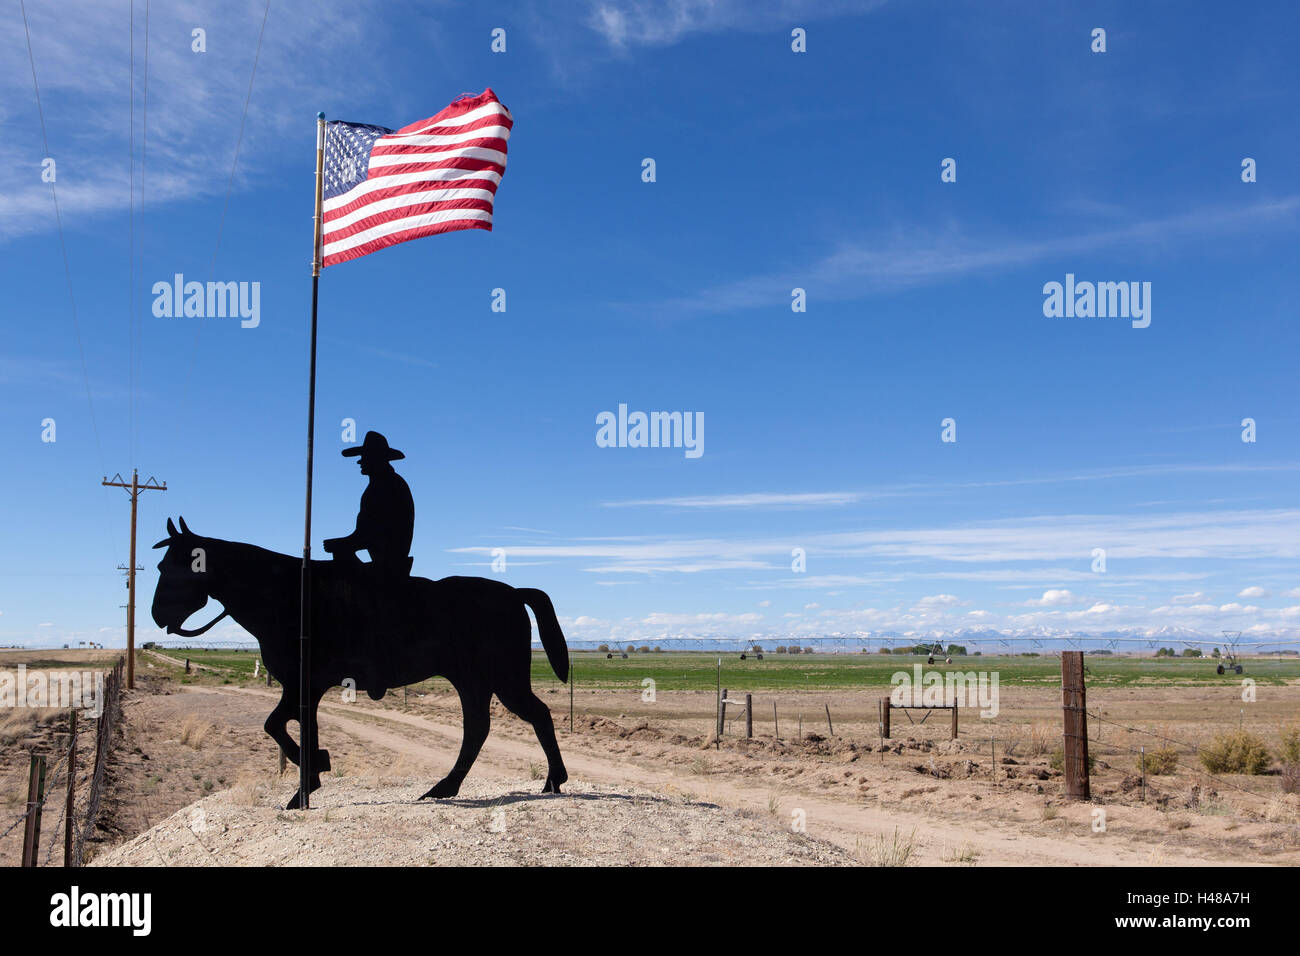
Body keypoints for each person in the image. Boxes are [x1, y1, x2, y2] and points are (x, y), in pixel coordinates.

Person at [323, 431, 414, 577]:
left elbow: (372, 533)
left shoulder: (387, 486)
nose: (360, 462)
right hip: (384, 557)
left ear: (376, 459)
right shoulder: (382, 485)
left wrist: (342, 544)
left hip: (389, 562)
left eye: (365, 457)